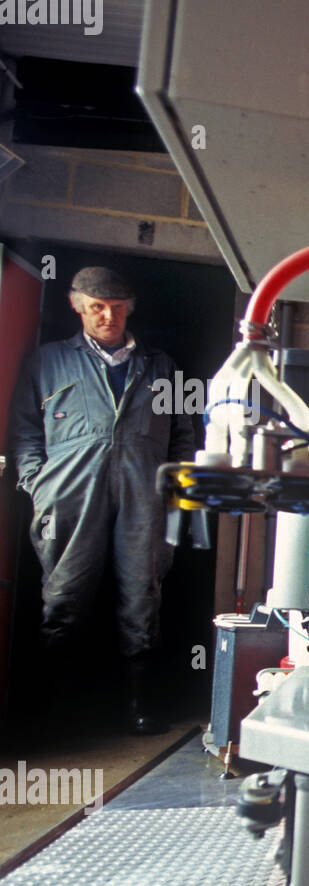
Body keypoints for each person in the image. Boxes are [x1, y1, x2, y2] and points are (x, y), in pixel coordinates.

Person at [8, 267, 196, 734]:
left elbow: (183, 436)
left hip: (144, 495)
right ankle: (58, 709)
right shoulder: (45, 362)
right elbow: (24, 432)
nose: (107, 315)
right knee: (64, 596)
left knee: (141, 595)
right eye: (97, 307)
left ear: (130, 307)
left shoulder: (162, 365)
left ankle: (139, 704)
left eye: (116, 306)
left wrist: (177, 500)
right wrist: (39, 484)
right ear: (77, 306)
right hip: (70, 494)